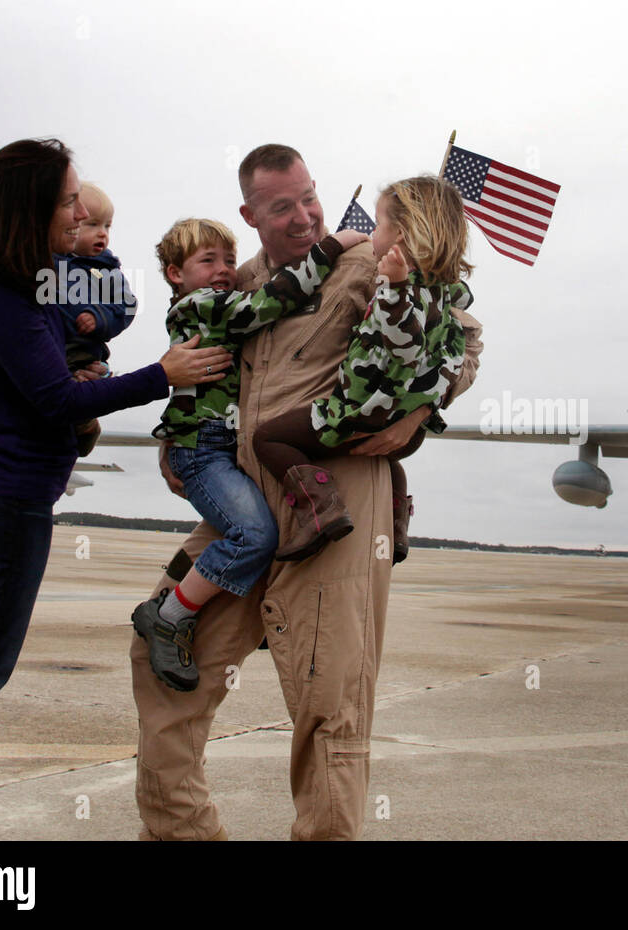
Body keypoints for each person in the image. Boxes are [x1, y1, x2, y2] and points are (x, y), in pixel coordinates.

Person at [132, 144, 483, 841]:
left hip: (333, 509)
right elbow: (207, 377)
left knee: (331, 703)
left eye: (309, 197)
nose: (305, 216)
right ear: (250, 214)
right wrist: (175, 439)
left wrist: (422, 408)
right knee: (160, 655)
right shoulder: (237, 285)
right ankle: (179, 834)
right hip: (242, 509)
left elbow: (463, 339)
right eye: (282, 206)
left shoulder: (363, 261)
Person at [0, 138, 232, 841]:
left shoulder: (1, 272)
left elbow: (67, 351)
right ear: (30, 209)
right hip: (6, 500)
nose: (82, 209)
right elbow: (54, 396)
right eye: (67, 199)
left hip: (5, 493)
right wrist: (162, 374)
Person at [131, 217, 368, 692]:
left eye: (228, 260)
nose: (222, 269)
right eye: (207, 261)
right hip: (202, 451)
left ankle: (245, 614)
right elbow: (268, 302)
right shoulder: (201, 307)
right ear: (176, 274)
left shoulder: (215, 308)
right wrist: (333, 245)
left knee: (270, 528)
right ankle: (169, 614)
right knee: (254, 534)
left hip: (220, 447)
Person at [251, 175, 472, 563]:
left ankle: (320, 510)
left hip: (363, 413)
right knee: (389, 463)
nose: (373, 233)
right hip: (408, 430)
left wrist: (394, 288)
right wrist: (423, 409)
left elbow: (405, 347)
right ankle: (397, 520)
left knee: (269, 439)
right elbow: (453, 354)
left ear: (401, 233)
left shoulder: (400, 289)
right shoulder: (445, 294)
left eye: (379, 223)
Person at [56, 181, 139, 456]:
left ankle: (85, 427)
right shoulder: (48, 262)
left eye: (107, 226)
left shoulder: (106, 272)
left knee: (80, 385)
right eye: (92, 224)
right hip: (52, 345)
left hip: (83, 350)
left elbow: (126, 305)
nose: (101, 234)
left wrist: (98, 317)